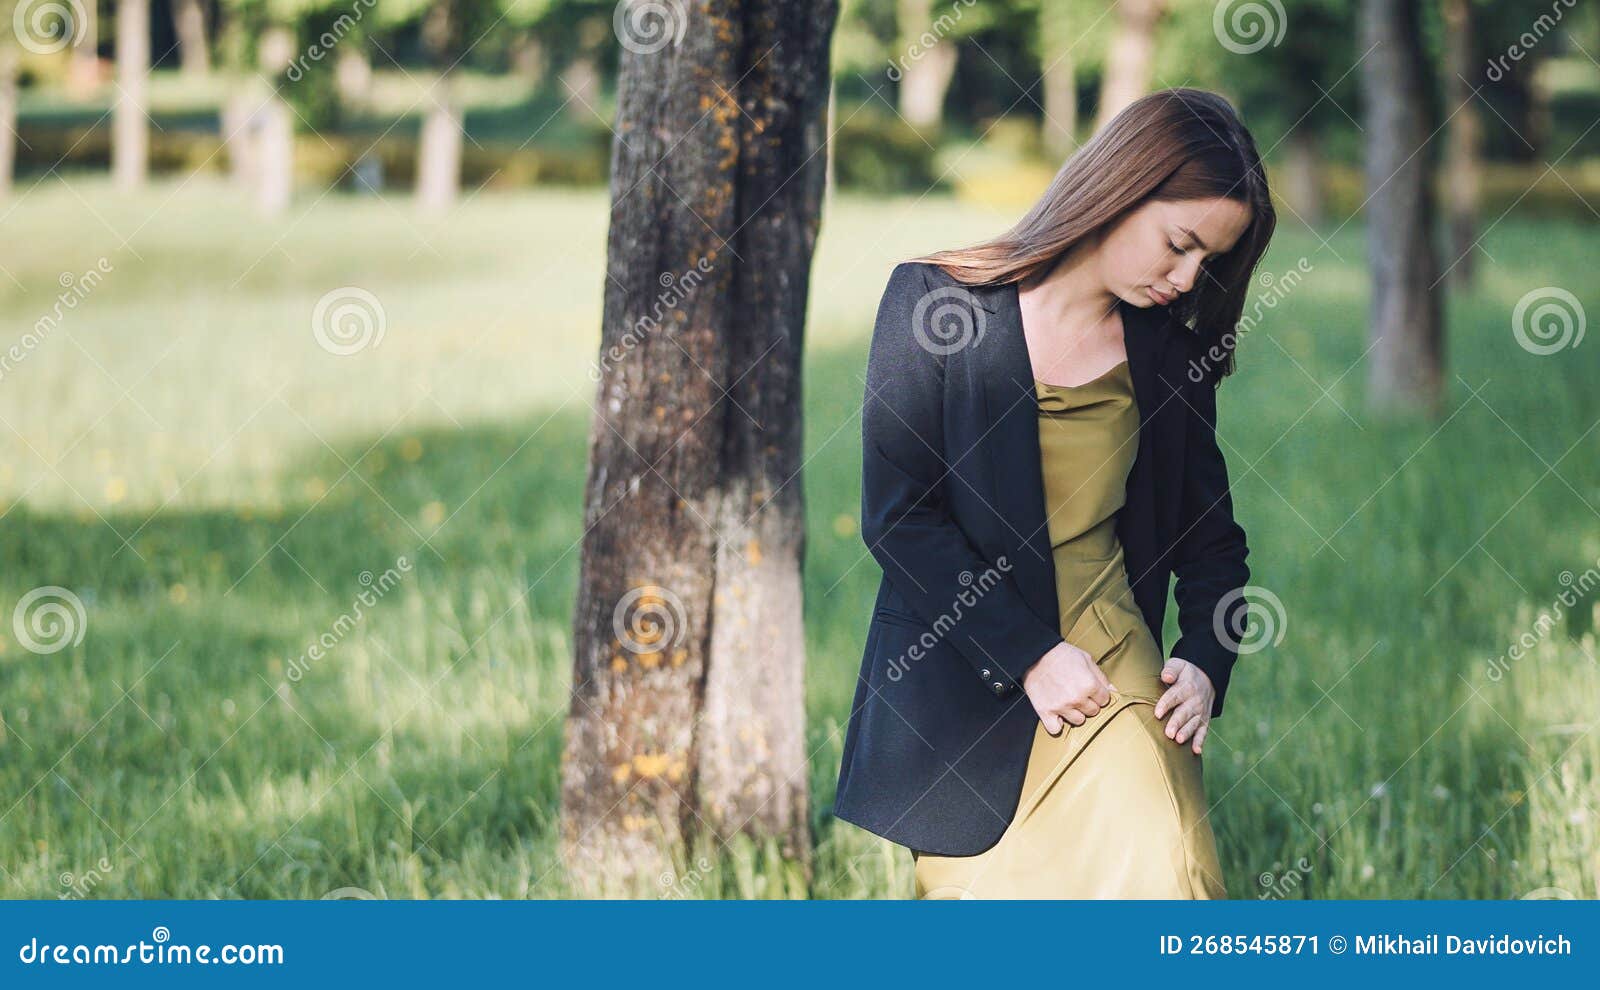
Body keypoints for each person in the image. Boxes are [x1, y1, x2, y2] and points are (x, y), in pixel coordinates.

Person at [831, 88, 1277, 898]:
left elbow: (1213, 541)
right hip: (967, 669)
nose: (1187, 278)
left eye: (1207, 263)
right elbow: (901, 520)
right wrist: (1029, 654)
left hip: (1116, 673)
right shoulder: (933, 302)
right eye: (1179, 244)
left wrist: (1206, 660)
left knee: (1160, 881)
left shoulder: (1170, 359)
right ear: (1123, 187)